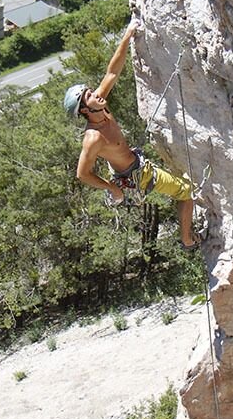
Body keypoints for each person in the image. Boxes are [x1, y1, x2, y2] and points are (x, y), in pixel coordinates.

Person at [63, 21, 199, 250]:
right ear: (85, 110)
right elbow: (82, 174)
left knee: (181, 184)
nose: (95, 94)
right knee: (186, 193)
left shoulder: (100, 106)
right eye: (89, 96)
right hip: (138, 175)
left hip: (134, 164)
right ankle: (187, 240)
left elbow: (112, 71)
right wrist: (112, 188)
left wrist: (127, 36)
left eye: (91, 91)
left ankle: (187, 232)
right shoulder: (93, 138)